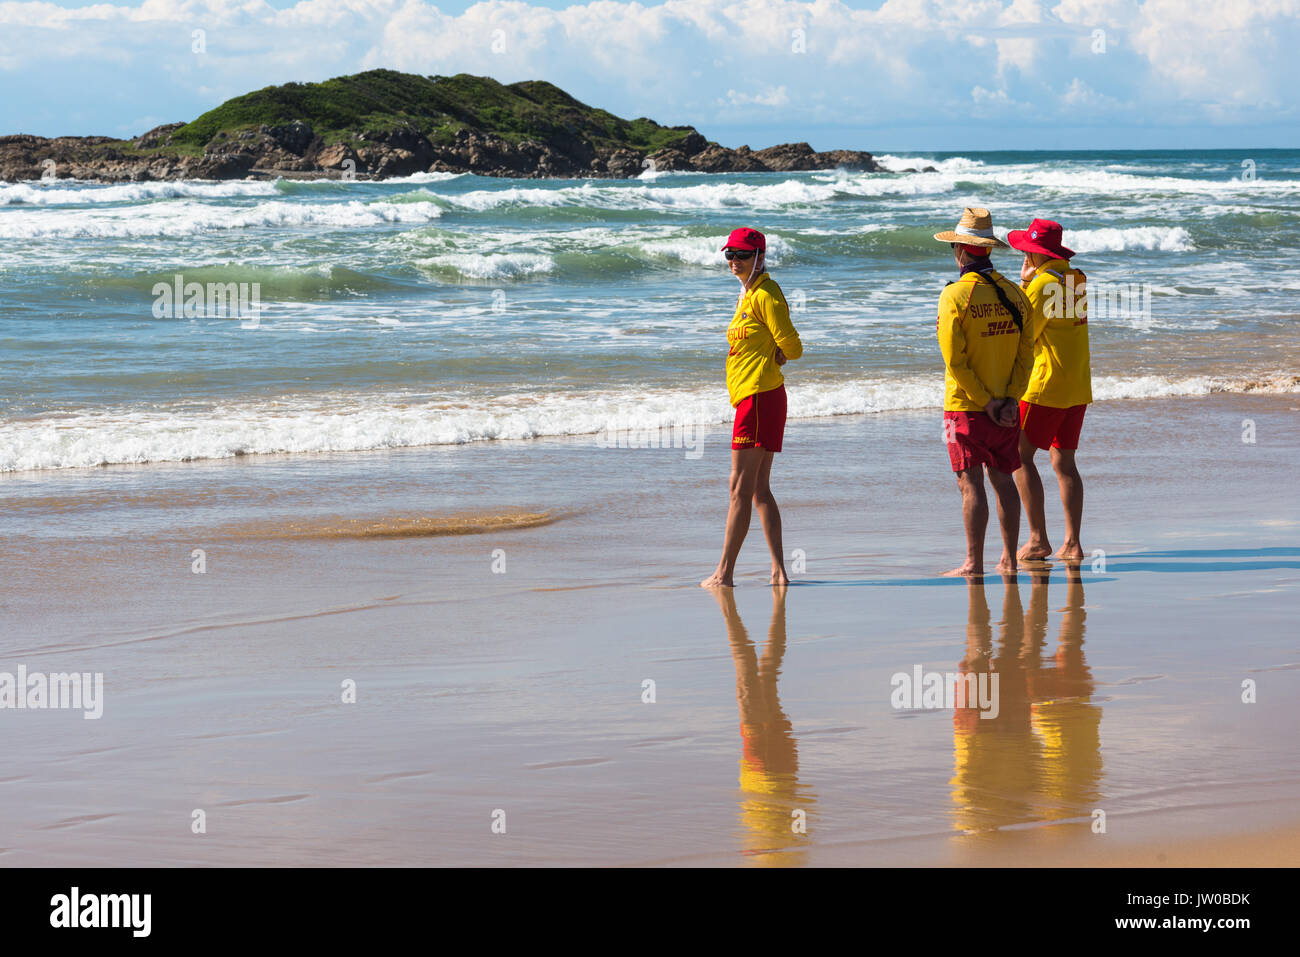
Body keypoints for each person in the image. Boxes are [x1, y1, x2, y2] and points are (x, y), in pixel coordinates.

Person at [933, 207, 1034, 577]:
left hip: (965, 407)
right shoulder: (1015, 294)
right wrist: (1009, 398)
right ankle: (1008, 559)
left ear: (960, 250)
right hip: (1007, 407)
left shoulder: (954, 296)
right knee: (1004, 478)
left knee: (969, 484)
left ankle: (973, 562)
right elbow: (1028, 353)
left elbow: (955, 364)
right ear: (986, 249)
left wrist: (985, 402)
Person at [701, 227, 803, 588]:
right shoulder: (748, 293)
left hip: (759, 398)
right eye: (730, 254)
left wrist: (778, 353)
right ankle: (779, 572)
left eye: (742, 255)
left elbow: (793, 345)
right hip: (755, 398)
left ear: (759, 257)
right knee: (758, 488)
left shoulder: (766, 295)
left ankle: (724, 573)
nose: (734, 261)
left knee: (739, 488)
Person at [1006, 219, 1091, 562]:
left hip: (1046, 383)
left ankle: (1038, 539)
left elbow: (1022, 332)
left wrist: (1025, 283)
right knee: (1064, 461)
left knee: (1018, 456)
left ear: (1035, 253)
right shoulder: (1076, 277)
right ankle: (1072, 543)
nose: (1023, 255)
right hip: (1078, 384)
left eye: (1026, 250)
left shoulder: (1041, 284)